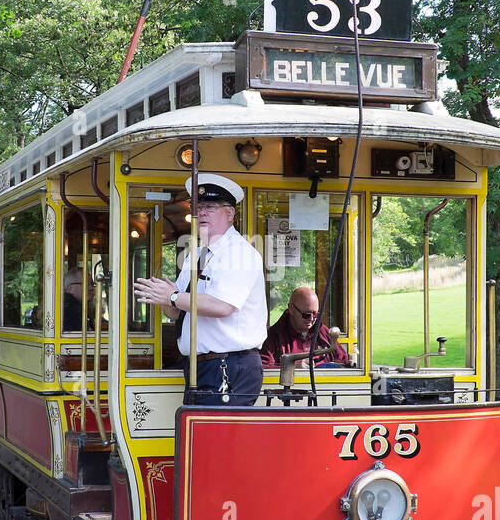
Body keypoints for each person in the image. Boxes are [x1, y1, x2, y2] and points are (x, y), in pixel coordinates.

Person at [133, 173, 267, 406]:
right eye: (199, 206)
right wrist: (164, 298)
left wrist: (173, 296)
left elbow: (222, 306)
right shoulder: (196, 255)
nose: (202, 212)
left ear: (230, 214)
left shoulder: (239, 253)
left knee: (217, 441)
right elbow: (178, 312)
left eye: (211, 207)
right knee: (199, 440)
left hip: (229, 367)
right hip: (202, 367)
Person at [260, 285, 351, 367]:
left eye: (315, 314)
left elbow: (343, 360)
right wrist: (293, 367)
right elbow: (264, 369)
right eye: (306, 315)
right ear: (291, 309)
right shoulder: (273, 337)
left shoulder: (323, 332)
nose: (311, 319)